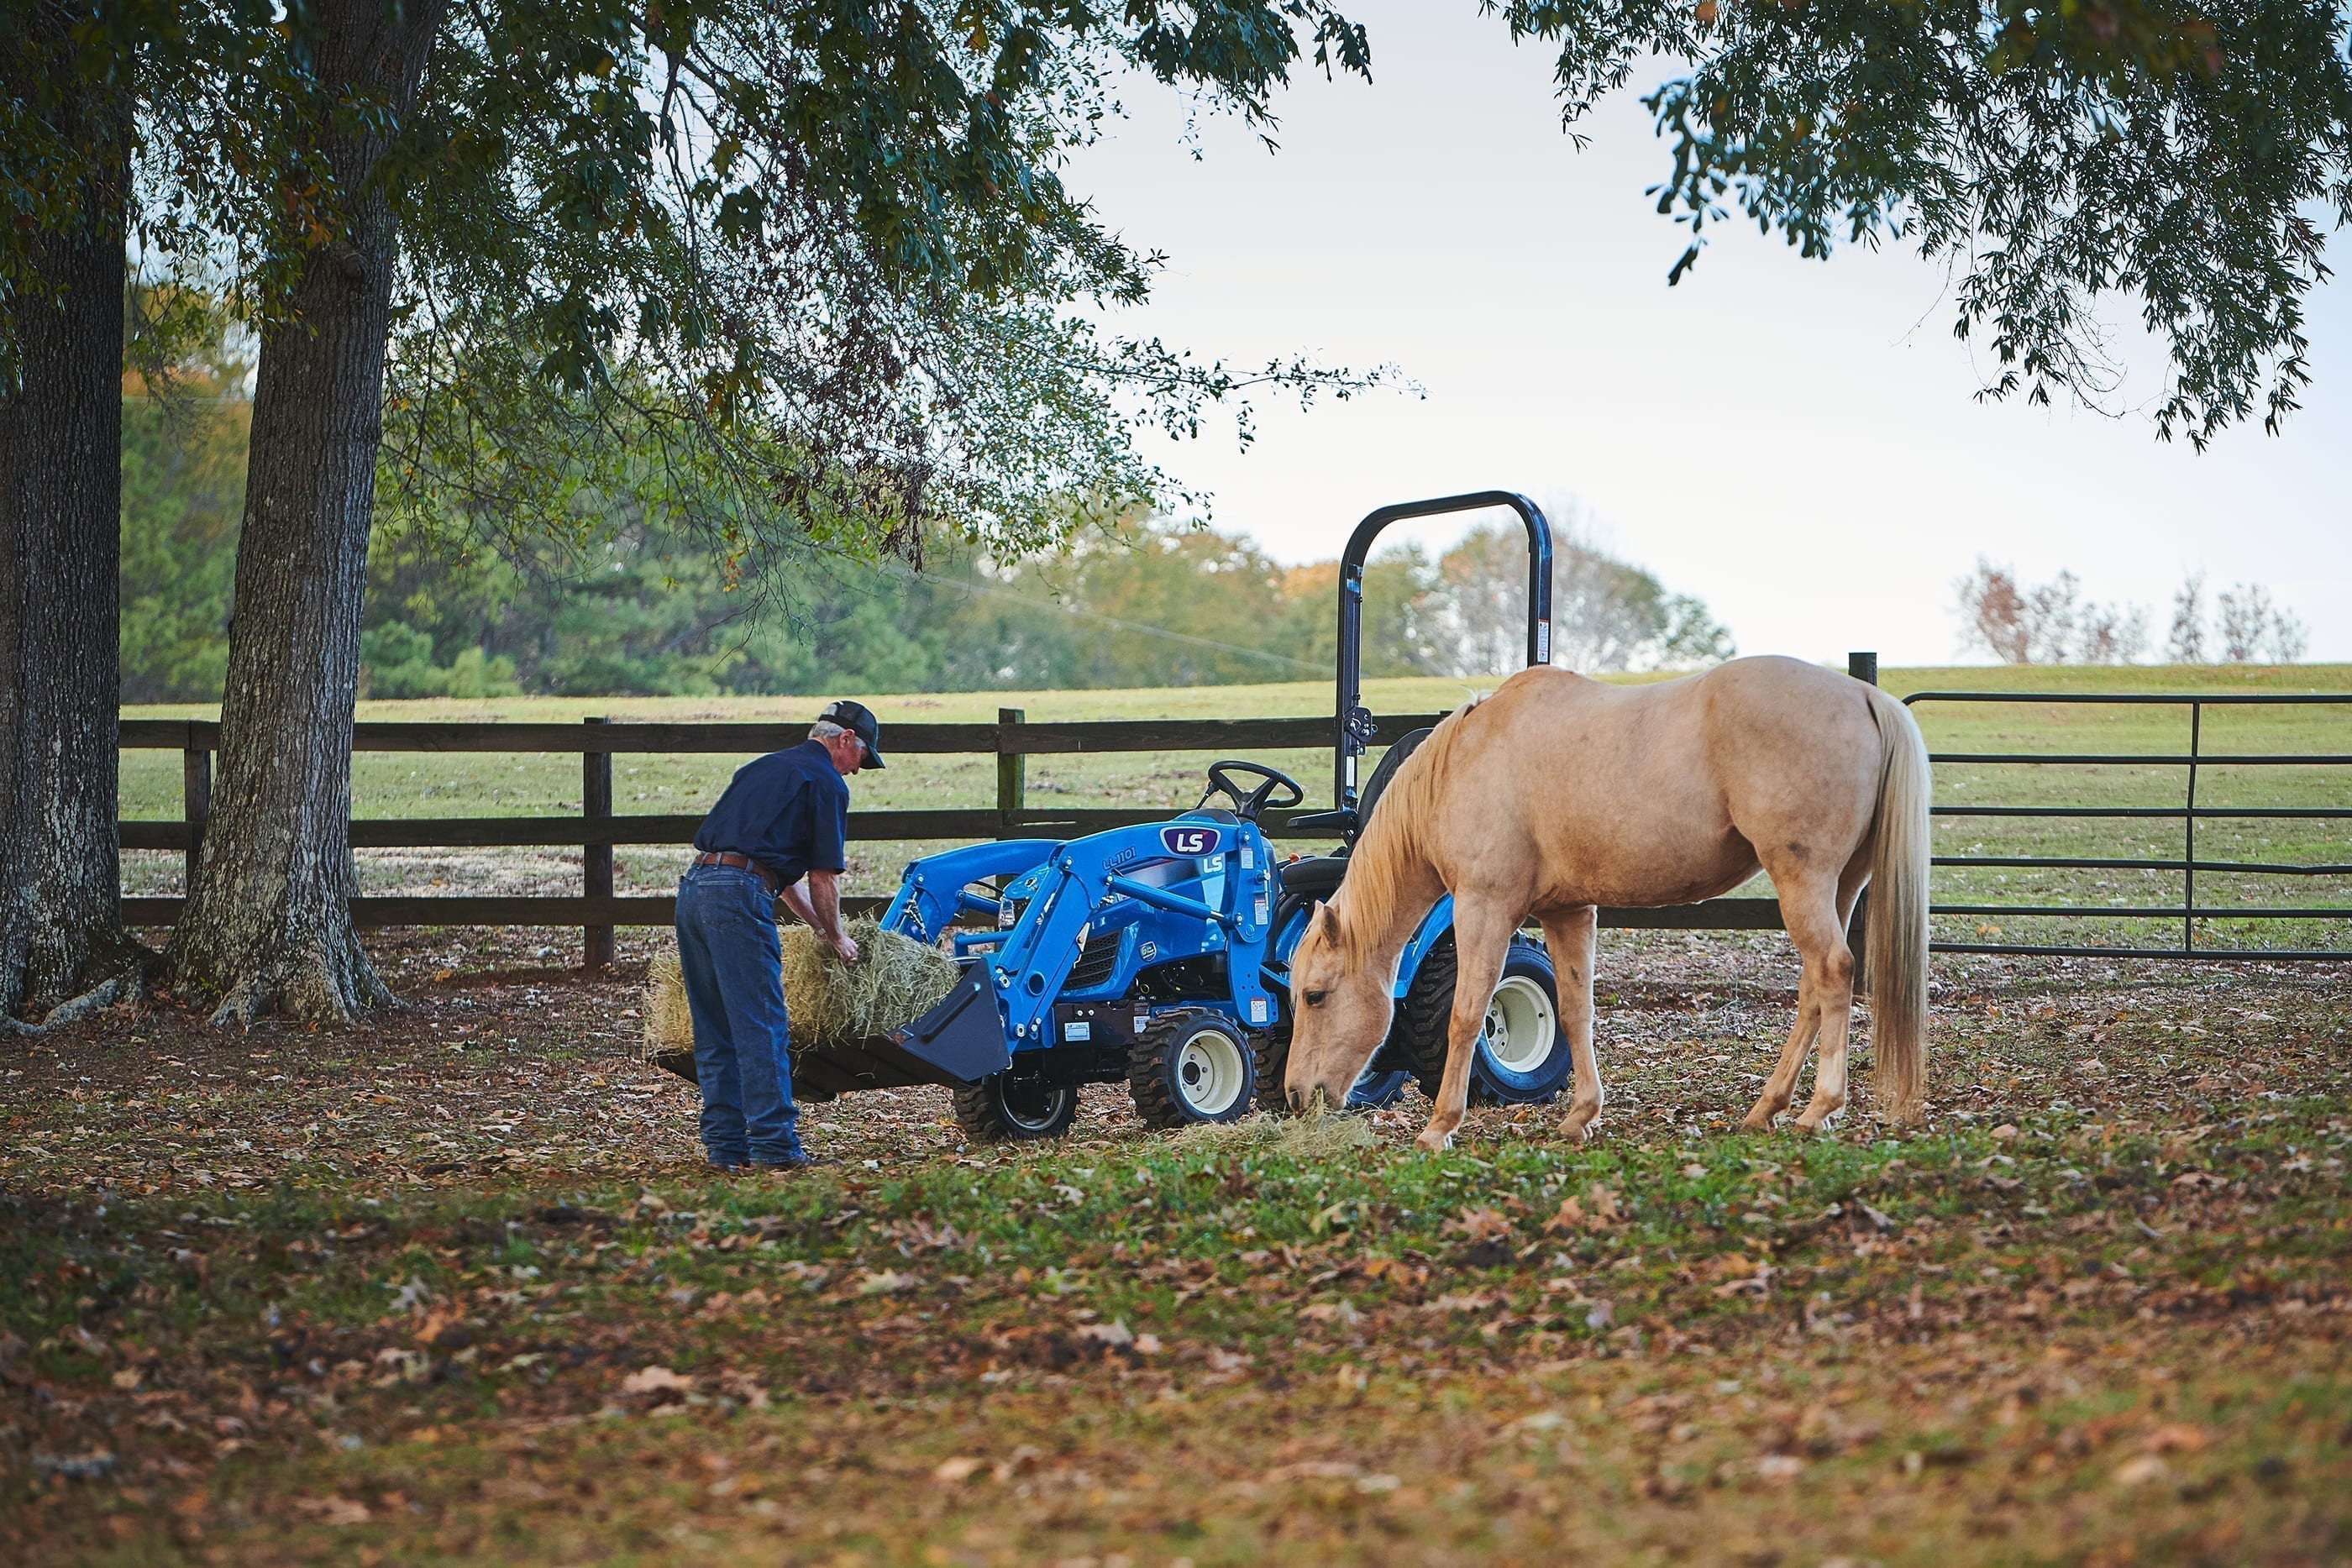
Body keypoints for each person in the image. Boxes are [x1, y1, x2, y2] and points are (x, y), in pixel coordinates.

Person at [674, 700, 884, 1170]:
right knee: (761, 1024)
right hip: (737, 897)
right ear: (845, 740)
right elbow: (822, 877)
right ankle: (775, 1147)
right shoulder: (826, 782)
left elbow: (776, 872)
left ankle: (725, 1148)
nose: (858, 771)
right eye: (862, 759)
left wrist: (816, 926)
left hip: (694, 889)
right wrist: (837, 935)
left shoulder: (762, 768)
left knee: (714, 1028)